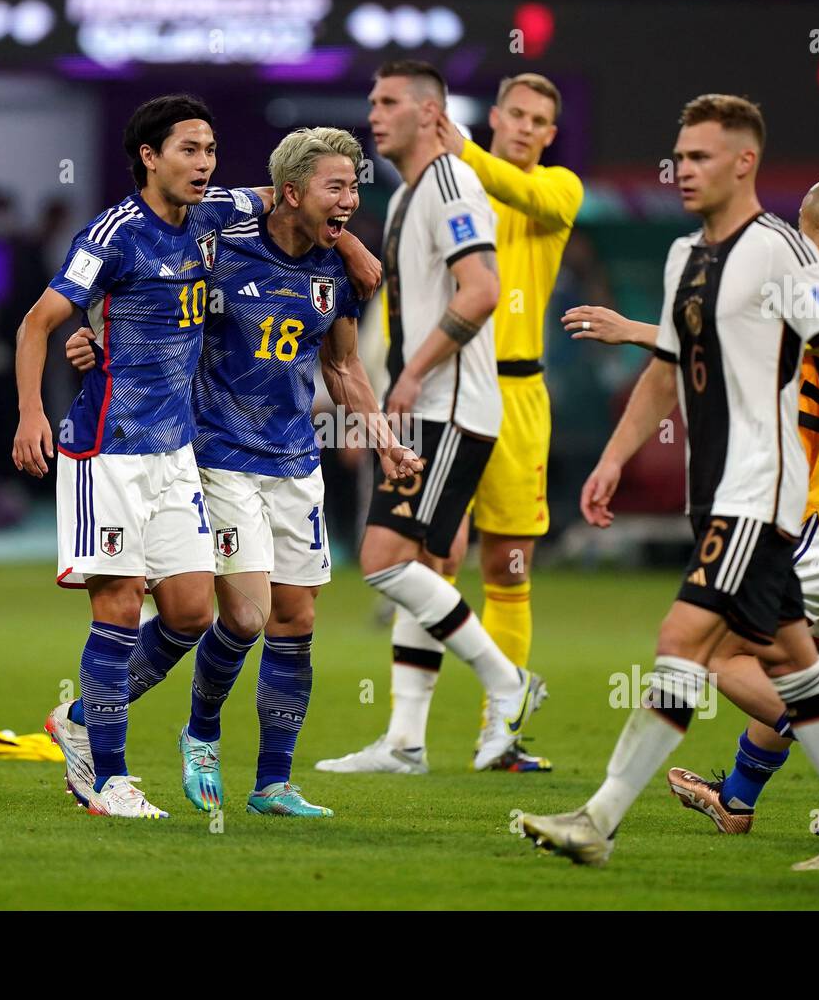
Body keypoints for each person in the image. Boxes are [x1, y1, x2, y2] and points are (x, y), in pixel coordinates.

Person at [519, 95, 819, 871]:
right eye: (679, 155)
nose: (682, 169)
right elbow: (666, 374)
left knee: (680, 642)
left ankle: (599, 818)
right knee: (794, 660)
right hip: (721, 492)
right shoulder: (683, 256)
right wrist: (613, 458)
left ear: (744, 162)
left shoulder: (783, 251)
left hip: (758, 489)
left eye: (700, 156)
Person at [62, 127, 415, 817]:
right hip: (217, 456)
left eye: (354, 187)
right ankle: (198, 732)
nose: (350, 200)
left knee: (296, 619)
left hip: (295, 460)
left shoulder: (334, 270)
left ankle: (274, 784)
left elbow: (342, 365)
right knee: (245, 615)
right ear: (290, 192)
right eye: (335, 187)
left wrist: (383, 439)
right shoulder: (218, 240)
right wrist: (95, 338)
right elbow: (145, 287)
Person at [14, 94, 273, 820]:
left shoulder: (214, 213)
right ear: (148, 157)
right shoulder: (114, 234)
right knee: (120, 607)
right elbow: (39, 323)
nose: (204, 163)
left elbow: (291, 191)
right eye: (189, 149)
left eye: (211, 149)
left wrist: (348, 243)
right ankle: (111, 779)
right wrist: (32, 412)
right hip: (108, 449)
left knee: (190, 612)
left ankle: (78, 718)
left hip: (175, 451)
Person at [315, 60, 540, 777]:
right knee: (423, 566)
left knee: (383, 559)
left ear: (429, 112)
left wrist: (409, 376)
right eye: (372, 100)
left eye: (387, 102)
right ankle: (406, 742)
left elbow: (481, 291)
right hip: (430, 406)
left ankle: (508, 681)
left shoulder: (448, 183)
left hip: (446, 406)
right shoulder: (417, 189)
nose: (373, 114)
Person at [385, 73, 580, 772]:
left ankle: (499, 733)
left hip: (518, 395)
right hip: (445, 387)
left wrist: (462, 147)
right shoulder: (446, 190)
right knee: (428, 559)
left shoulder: (555, 189)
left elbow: (527, 193)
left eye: (540, 120)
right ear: (497, 116)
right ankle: (405, 736)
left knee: (507, 564)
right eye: (517, 114)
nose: (527, 127)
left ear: (551, 135)